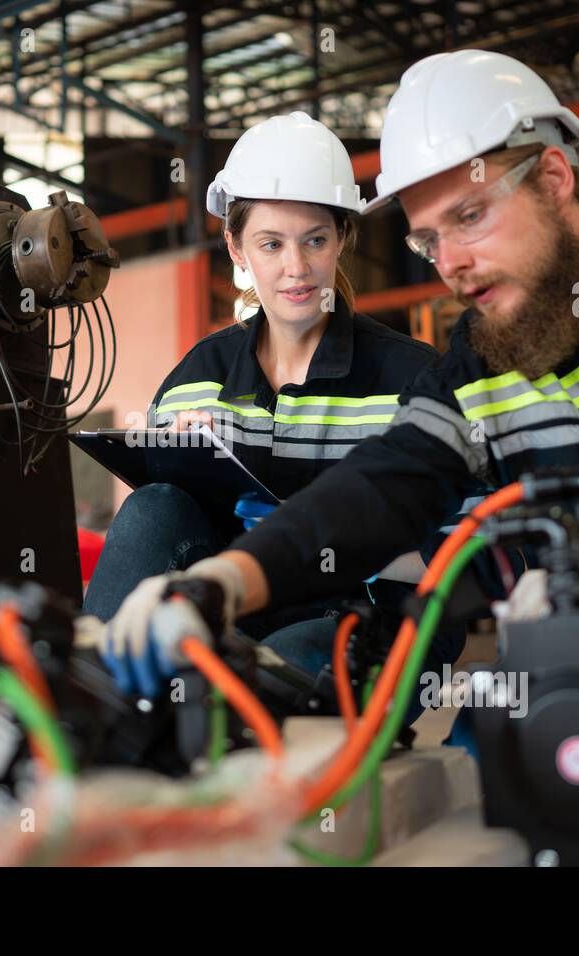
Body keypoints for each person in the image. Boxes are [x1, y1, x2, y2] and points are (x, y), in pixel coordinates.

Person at [101, 50, 579, 714]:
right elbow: (381, 487)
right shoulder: (473, 374)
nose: (451, 265)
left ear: (555, 176)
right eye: (428, 241)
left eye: (471, 216)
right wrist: (219, 583)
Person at [82, 111, 460, 698]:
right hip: (238, 612)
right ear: (236, 248)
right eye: (270, 243)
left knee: (259, 681)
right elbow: (159, 535)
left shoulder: (413, 378)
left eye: (315, 239)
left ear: (343, 239)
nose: (296, 268)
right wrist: (183, 465)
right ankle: (90, 698)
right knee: (156, 505)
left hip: (371, 618)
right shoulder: (195, 379)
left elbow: (460, 563)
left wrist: (321, 544)